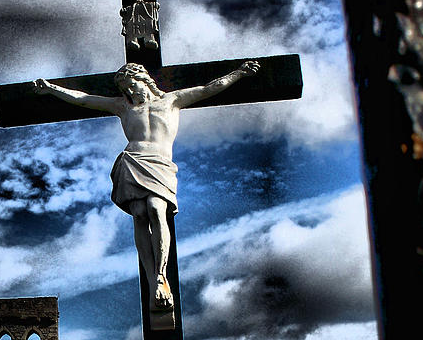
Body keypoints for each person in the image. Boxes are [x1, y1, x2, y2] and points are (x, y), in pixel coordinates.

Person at [33, 59, 260, 311]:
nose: (130, 92)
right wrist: (52, 89)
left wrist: (239, 73)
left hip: (159, 163)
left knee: (155, 208)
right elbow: (85, 99)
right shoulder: (123, 106)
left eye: (132, 85)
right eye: (125, 89)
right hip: (133, 160)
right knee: (140, 214)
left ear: (144, 80)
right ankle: (154, 281)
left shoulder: (172, 100)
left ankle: (161, 273)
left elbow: (209, 88)